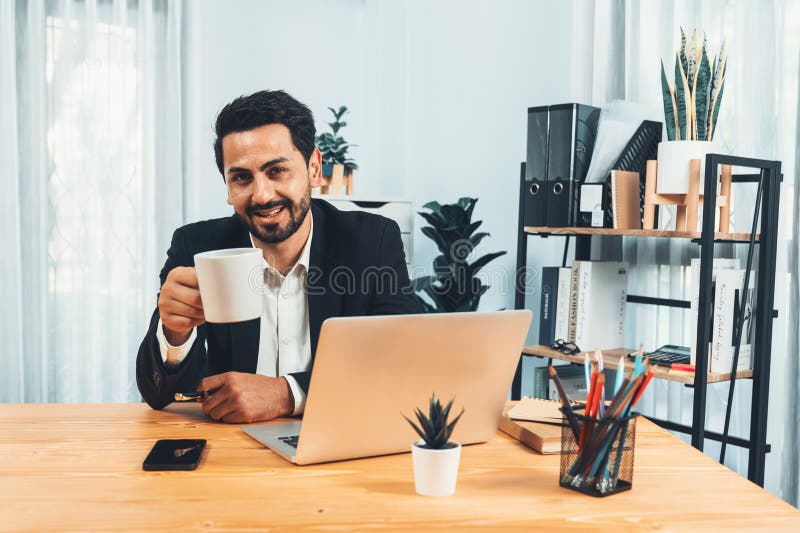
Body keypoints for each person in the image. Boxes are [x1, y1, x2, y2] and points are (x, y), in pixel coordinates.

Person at [136, 90, 421, 423]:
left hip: (339, 436)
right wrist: (174, 334)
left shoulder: (371, 241)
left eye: (277, 171)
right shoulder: (196, 247)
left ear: (314, 169)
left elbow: (403, 361)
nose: (262, 195)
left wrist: (287, 394)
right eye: (242, 178)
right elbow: (159, 395)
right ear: (228, 187)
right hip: (230, 444)